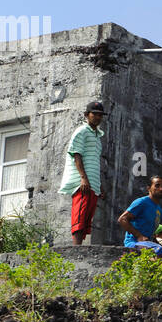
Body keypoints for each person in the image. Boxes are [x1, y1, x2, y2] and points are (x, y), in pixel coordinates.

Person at [58, 101, 105, 245]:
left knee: (87, 216)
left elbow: (94, 161)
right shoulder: (82, 131)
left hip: (93, 182)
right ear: (86, 115)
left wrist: (99, 185)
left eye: (100, 115)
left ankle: (79, 247)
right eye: (94, 114)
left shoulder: (98, 136)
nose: (97, 117)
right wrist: (83, 178)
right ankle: (76, 248)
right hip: (82, 181)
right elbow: (76, 154)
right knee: (80, 212)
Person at [118, 177, 162, 256]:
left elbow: (151, 233)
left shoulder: (159, 211)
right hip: (134, 243)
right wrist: (139, 236)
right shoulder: (141, 202)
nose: (161, 189)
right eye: (157, 185)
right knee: (158, 250)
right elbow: (122, 219)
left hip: (147, 244)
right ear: (149, 188)